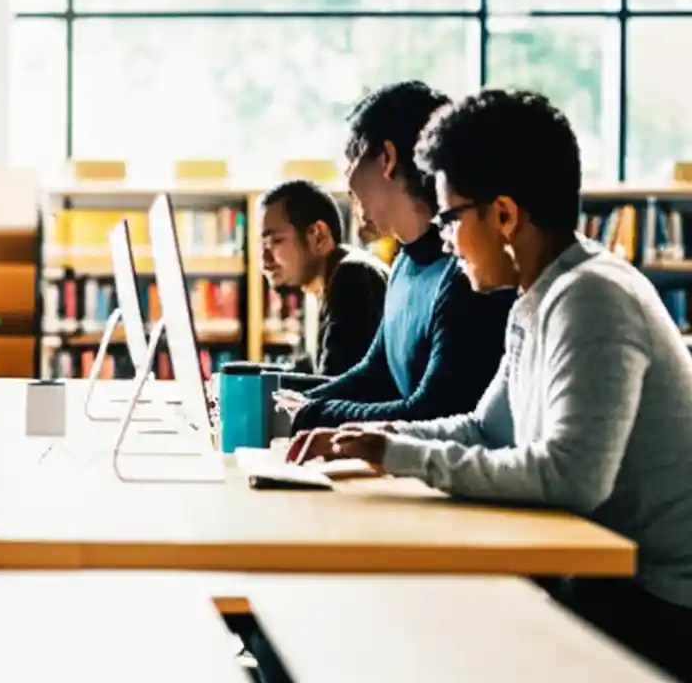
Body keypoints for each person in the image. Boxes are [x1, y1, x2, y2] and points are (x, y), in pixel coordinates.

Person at [290, 90, 692, 681]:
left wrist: (401, 454)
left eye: (451, 218)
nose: (445, 240)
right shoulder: (538, 295)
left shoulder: (592, 299)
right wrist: (381, 435)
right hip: (604, 575)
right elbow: (486, 427)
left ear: (503, 215)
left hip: (656, 601)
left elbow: (570, 478)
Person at [283, 81, 514, 435]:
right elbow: (376, 373)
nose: (347, 179)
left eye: (351, 158)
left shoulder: (468, 272)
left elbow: (435, 411)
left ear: (387, 159)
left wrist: (312, 414)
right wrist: (286, 404)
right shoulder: (406, 262)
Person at [259, 179, 388, 376]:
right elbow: (307, 376)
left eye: (276, 241)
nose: (265, 261)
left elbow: (335, 387)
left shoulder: (353, 277)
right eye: (262, 247)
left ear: (318, 236)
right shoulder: (315, 290)